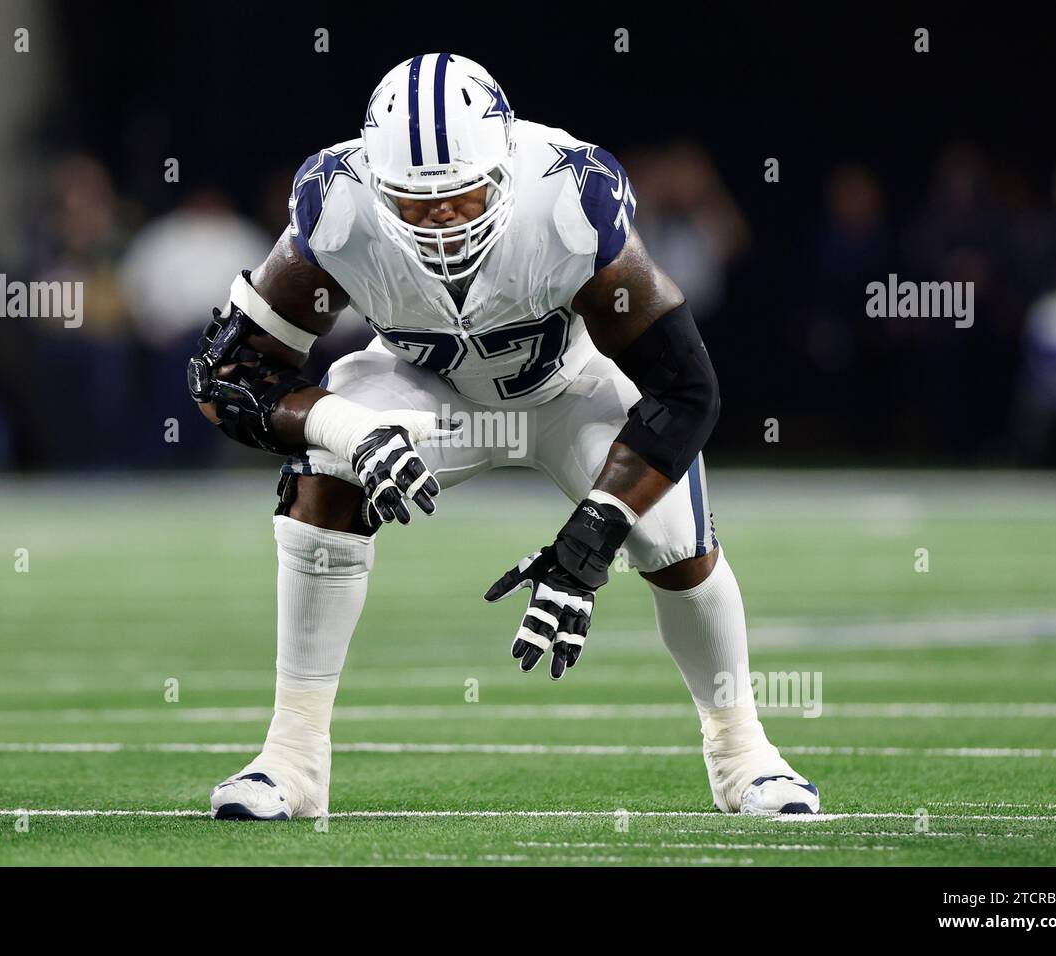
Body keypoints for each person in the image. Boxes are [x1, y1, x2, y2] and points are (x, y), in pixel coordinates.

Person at [189, 54, 818, 820]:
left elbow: (686, 390)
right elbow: (230, 376)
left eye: (465, 196)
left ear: (507, 167)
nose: (445, 221)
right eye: (418, 206)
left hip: (567, 389)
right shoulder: (338, 204)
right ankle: (291, 759)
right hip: (427, 393)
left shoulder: (568, 196)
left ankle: (743, 753)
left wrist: (589, 544)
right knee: (327, 465)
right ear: (377, 190)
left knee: (671, 534)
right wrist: (345, 427)